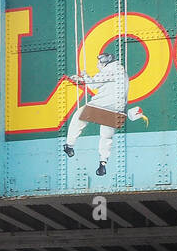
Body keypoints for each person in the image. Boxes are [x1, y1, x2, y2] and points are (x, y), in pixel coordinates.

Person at [62, 45, 148, 176]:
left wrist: (84, 76)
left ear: (105, 62)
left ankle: (69, 145)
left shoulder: (111, 69)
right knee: (106, 136)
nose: (98, 65)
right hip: (118, 112)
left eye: (99, 62)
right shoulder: (121, 72)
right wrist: (82, 79)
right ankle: (103, 163)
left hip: (102, 107)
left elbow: (94, 84)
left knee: (79, 117)